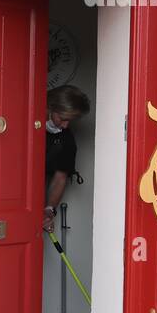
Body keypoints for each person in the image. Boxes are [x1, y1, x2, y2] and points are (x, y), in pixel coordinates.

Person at [44, 84, 90, 232]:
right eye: (62, 119)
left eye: (70, 121)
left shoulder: (67, 141)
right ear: (50, 107)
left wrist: (49, 210)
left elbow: (60, 177)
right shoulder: (23, 122)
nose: (65, 125)